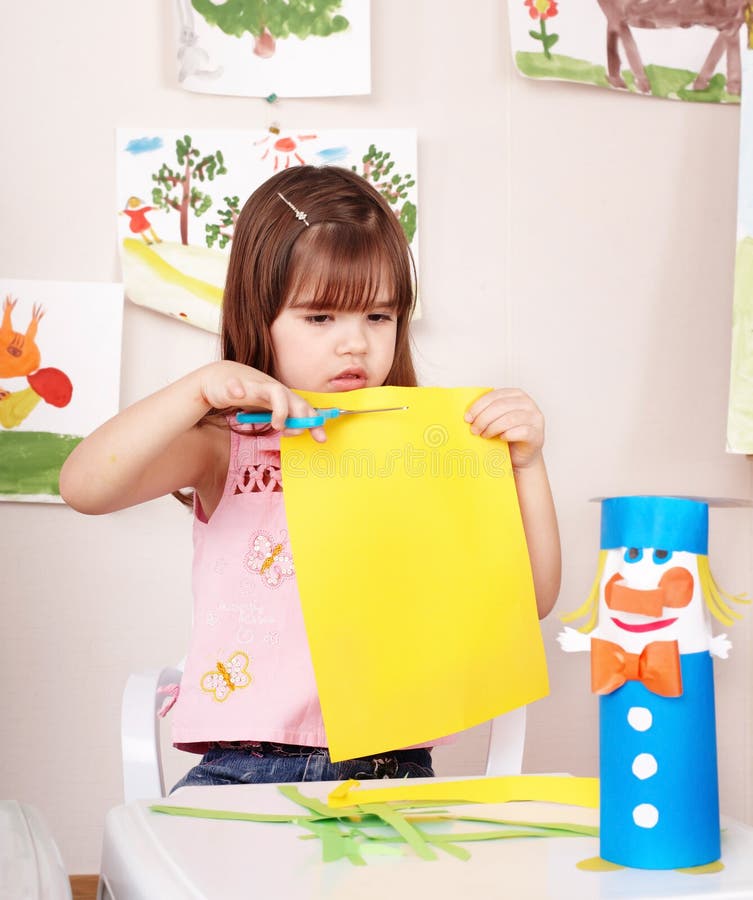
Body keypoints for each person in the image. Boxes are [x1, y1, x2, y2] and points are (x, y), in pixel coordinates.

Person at [60, 165, 561, 788]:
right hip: (245, 769)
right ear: (259, 315)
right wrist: (197, 390)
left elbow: (529, 601)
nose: (355, 344)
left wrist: (527, 467)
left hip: (393, 772)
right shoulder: (225, 447)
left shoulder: (423, 447)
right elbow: (84, 486)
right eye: (321, 318)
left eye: (378, 317)